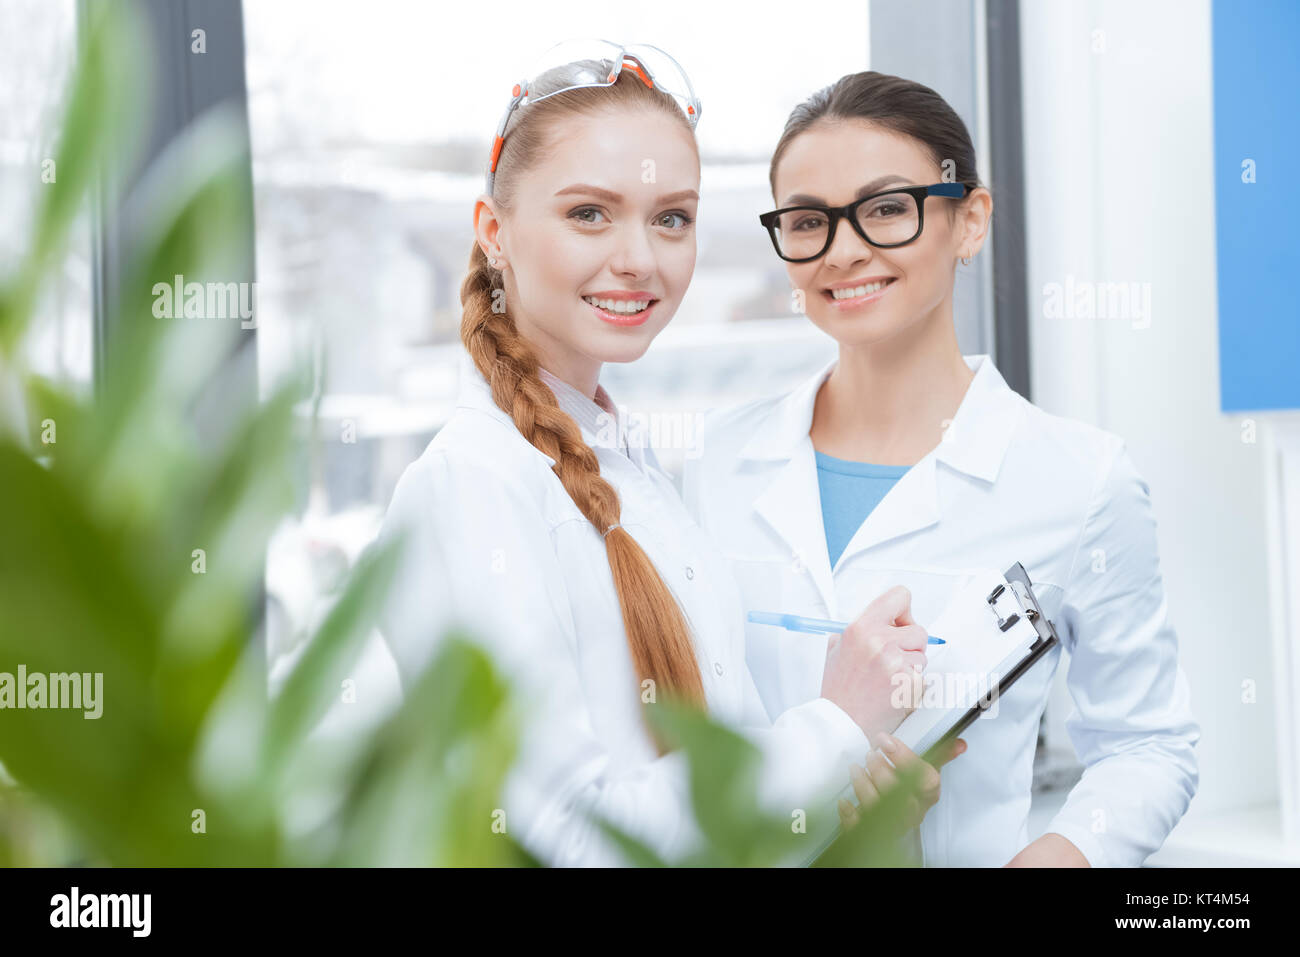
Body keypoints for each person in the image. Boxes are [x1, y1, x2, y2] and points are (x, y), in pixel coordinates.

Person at [373, 43, 962, 867]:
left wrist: (853, 796)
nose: (640, 258)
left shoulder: (627, 466)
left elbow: (715, 805)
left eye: (671, 217)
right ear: (493, 233)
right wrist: (834, 724)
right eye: (589, 213)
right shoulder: (470, 484)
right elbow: (571, 838)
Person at [682, 70, 1199, 867]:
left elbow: (1150, 745)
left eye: (888, 207)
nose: (844, 249)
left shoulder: (1082, 481)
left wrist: (1055, 858)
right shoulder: (713, 464)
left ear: (971, 220)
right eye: (809, 220)